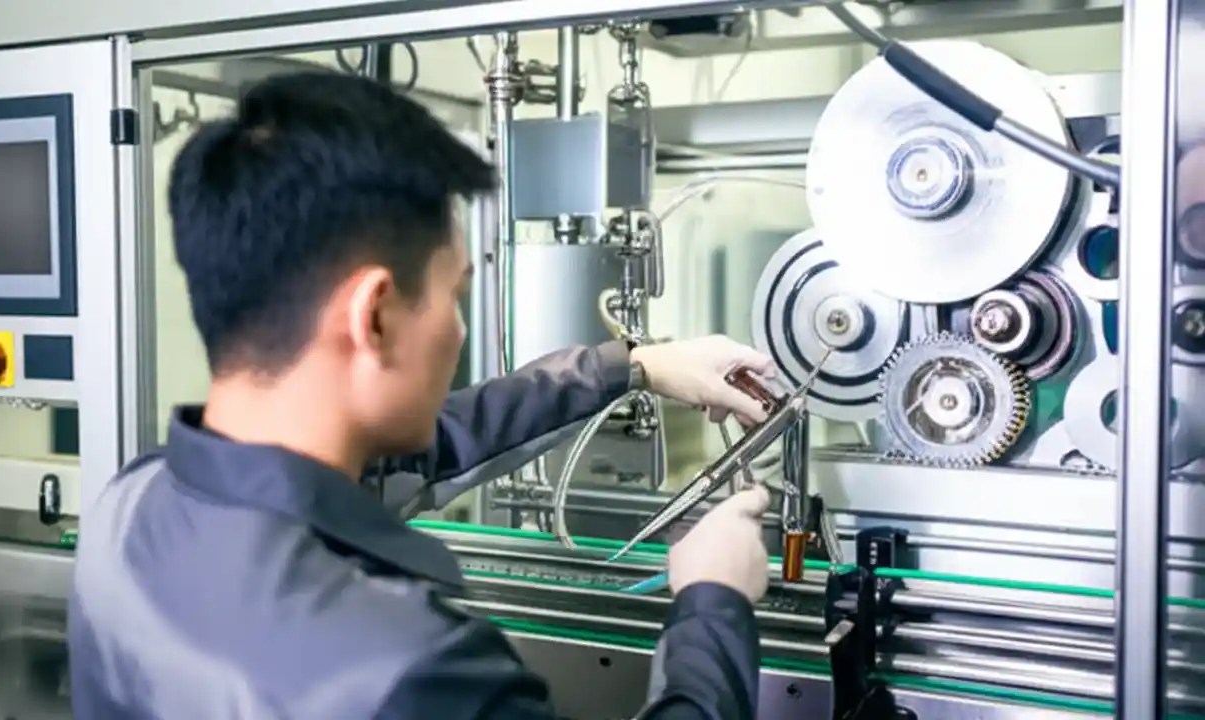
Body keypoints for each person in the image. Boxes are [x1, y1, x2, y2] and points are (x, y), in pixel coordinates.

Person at [68, 71, 776, 719]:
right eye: (455, 293)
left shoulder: (128, 506)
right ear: (373, 315)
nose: (458, 327)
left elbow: (437, 445)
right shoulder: (418, 670)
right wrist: (712, 602)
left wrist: (638, 365)